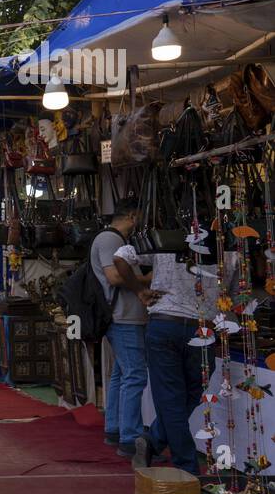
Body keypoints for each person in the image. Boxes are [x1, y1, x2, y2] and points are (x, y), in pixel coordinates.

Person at [134, 251, 232, 474]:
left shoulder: (165, 244)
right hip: (202, 326)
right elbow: (231, 295)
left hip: (165, 323)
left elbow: (121, 256)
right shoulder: (228, 252)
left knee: (174, 398)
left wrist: (139, 290)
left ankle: (156, 438)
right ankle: (185, 464)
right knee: (188, 393)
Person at [90, 196, 153, 458]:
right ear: (132, 216)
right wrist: (147, 280)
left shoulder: (116, 240)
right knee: (135, 375)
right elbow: (114, 276)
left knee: (121, 373)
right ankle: (130, 437)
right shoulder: (110, 239)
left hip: (124, 315)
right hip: (122, 316)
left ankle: (115, 428)